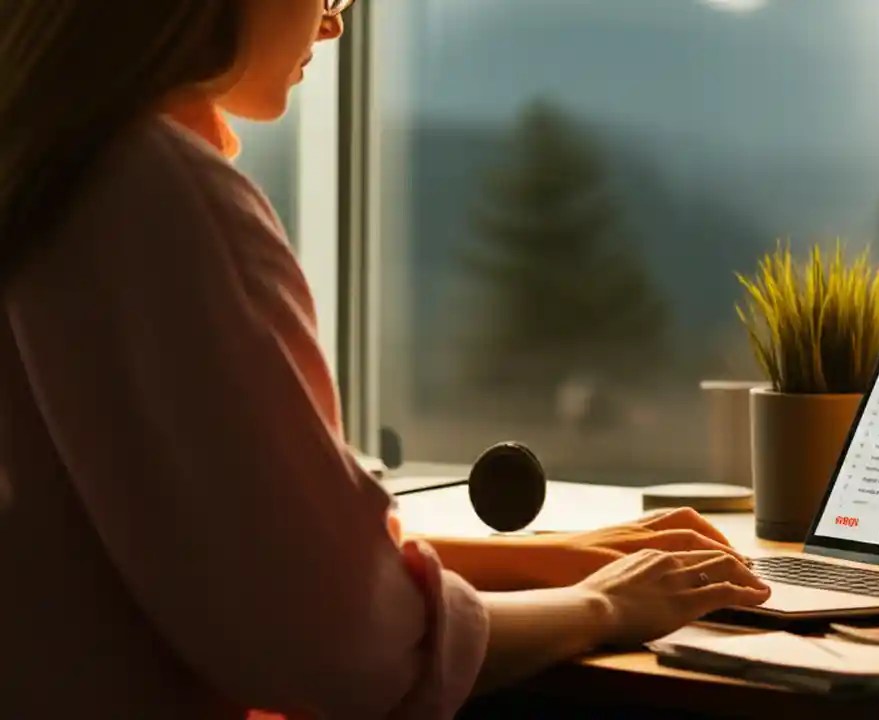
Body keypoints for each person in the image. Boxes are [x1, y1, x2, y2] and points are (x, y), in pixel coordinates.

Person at [0, 2, 770, 718]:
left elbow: (235, 547)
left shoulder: (45, 161)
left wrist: (555, 559)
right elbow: (337, 644)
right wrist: (604, 605)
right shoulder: (159, 196)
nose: (334, 26)